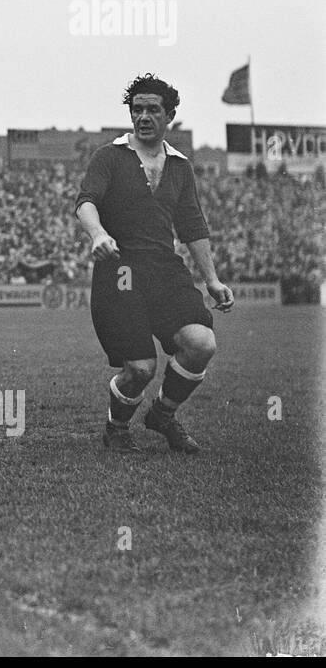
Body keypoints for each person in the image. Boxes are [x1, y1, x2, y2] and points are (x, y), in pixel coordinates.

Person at [75, 73, 234, 453]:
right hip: (121, 270)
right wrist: (98, 234)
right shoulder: (110, 156)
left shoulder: (180, 166)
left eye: (152, 109)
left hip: (165, 269)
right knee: (140, 369)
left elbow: (192, 224)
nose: (143, 116)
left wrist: (211, 280)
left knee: (201, 343)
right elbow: (86, 202)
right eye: (137, 109)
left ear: (169, 116)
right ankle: (116, 428)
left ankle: (162, 414)